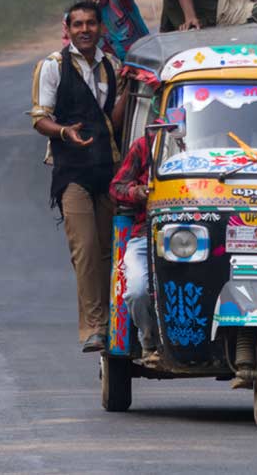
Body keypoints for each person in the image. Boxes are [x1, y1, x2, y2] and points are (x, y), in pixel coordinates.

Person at [29, 1, 128, 353]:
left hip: (108, 169)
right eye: (78, 25)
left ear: (100, 28)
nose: (84, 30)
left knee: (108, 251)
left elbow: (114, 123)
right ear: (68, 29)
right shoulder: (53, 67)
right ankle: (95, 327)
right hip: (71, 173)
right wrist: (63, 133)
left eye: (90, 24)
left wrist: (127, 92)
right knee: (84, 250)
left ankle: (116, 322)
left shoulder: (113, 67)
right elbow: (40, 118)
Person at [109, 131, 160, 366]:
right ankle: (148, 341)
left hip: (204, 237)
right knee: (138, 290)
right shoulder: (147, 144)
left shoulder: (225, 143)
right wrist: (135, 192)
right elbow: (117, 186)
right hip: (146, 233)